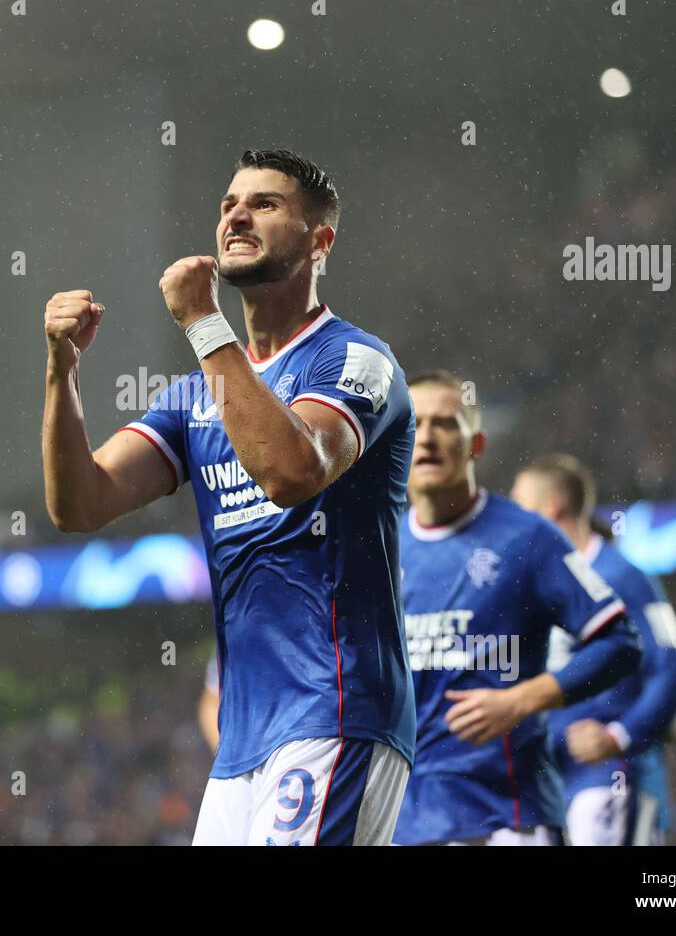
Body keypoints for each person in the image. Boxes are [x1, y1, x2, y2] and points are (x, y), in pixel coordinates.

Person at [43, 148, 415, 845]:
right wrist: (61, 372)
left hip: (336, 709)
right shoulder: (192, 399)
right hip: (243, 740)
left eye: (265, 203)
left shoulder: (358, 361)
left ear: (319, 240)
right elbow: (80, 504)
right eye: (228, 204)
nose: (237, 213)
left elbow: (291, 473)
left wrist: (203, 325)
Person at [396, 371, 642, 845]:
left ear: (476, 444)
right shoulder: (378, 549)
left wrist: (520, 700)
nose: (426, 437)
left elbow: (620, 642)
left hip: (509, 819)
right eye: (415, 424)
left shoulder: (527, 538)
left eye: (445, 424)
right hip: (406, 824)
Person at [511, 454, 676, 845]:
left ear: (552, 506)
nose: (511, 517)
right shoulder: (534, 585)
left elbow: (673, 671)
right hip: (543, 775)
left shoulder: (623, 577)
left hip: (606, 774)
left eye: (520, 503)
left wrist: (619, 736)